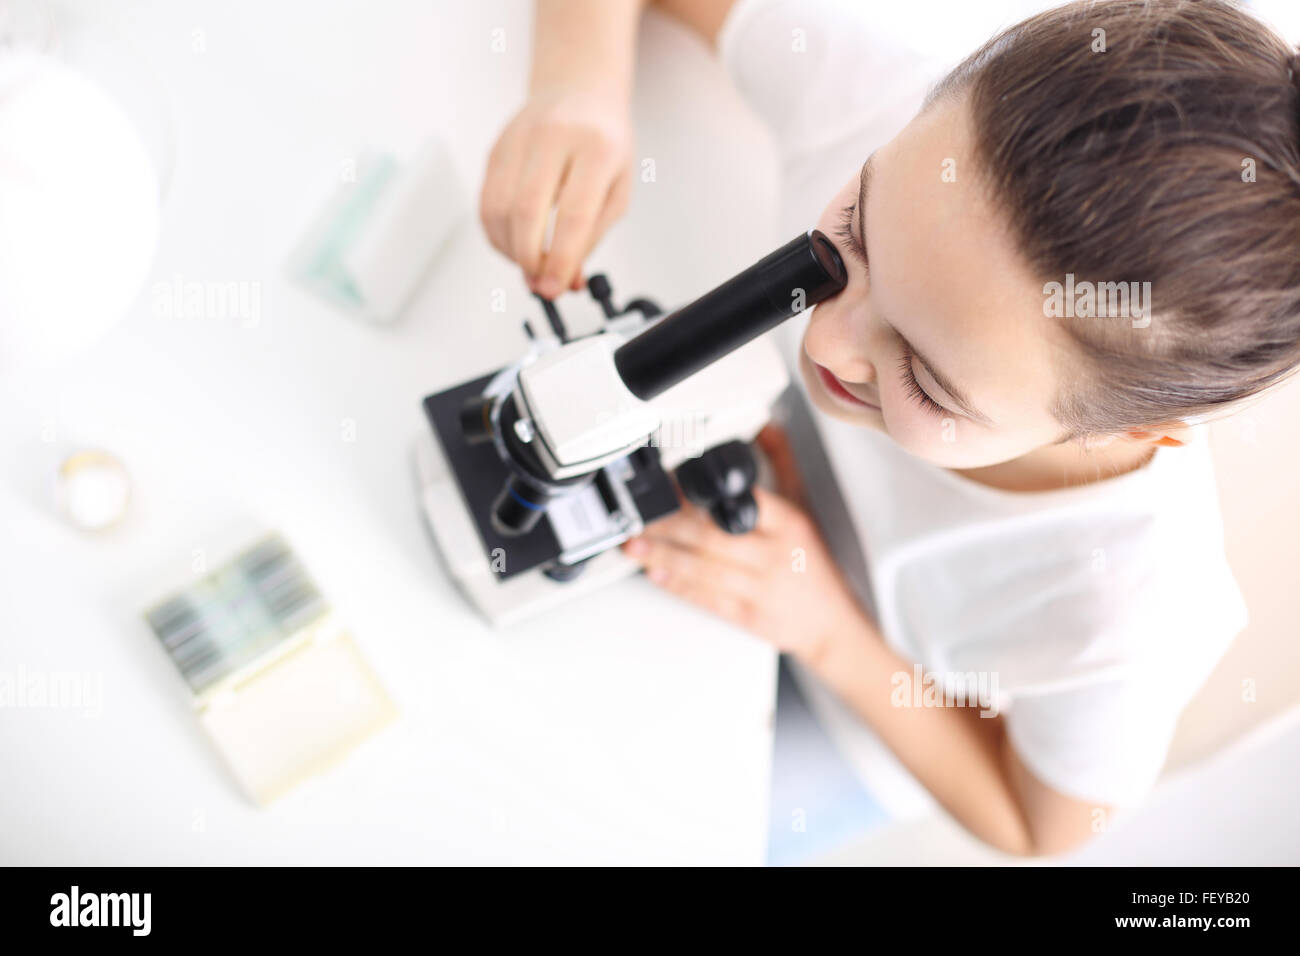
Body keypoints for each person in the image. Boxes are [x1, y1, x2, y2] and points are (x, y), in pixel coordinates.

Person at [478, 0, 1300, 858]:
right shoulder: (888, 104)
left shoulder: (1131, 611)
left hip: (848, 713)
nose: (822, 340)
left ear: (1134, 435)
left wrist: (827, 630)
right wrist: (578, 89)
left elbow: (1043, 829)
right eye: (852, 237)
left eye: (926, 379)